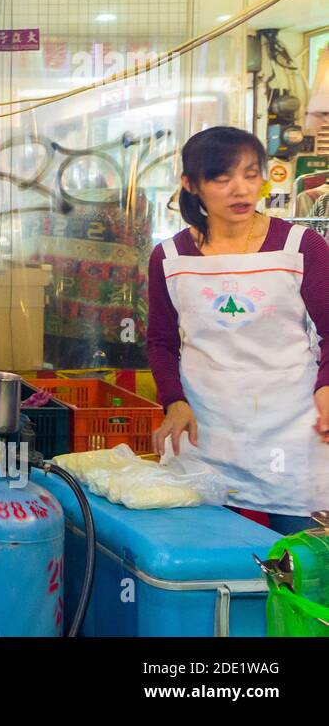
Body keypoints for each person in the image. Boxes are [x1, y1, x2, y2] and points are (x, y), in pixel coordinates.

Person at [148, 126, 329, 535]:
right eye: (221, 177)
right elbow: (160, 341)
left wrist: (326, 387)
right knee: (208, 561)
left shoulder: (301, 247)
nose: (240, 189)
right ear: (191, 185)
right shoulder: (171, 256)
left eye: (251, 174)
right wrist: (173, 402)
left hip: (292, 432)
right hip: (205, 431)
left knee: (298, 564)